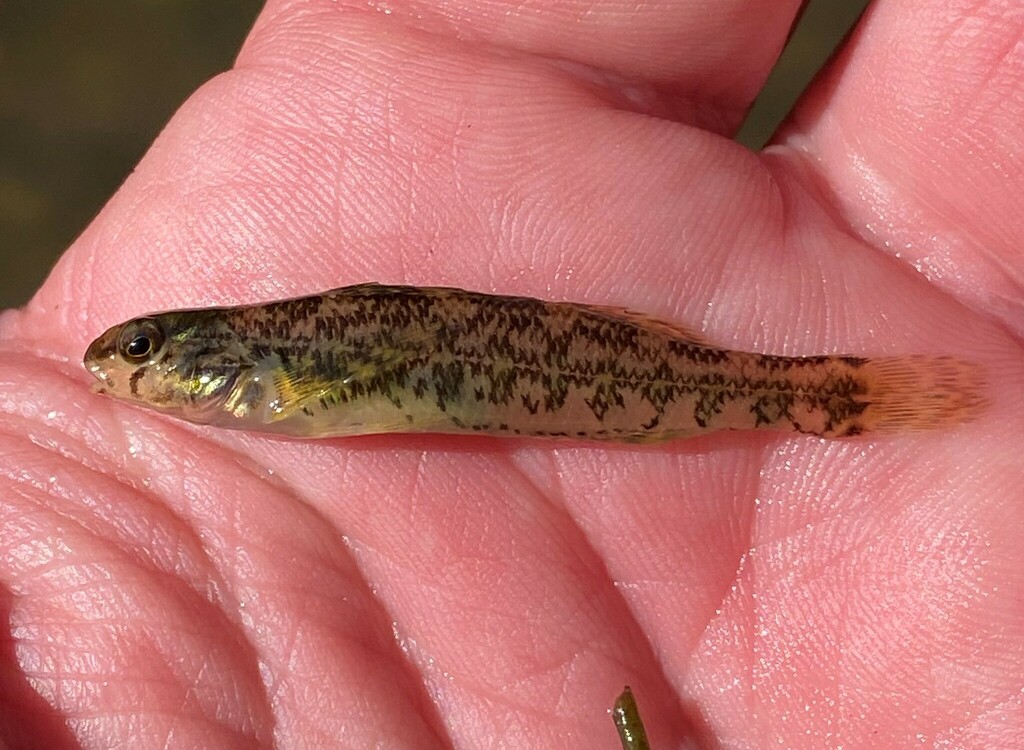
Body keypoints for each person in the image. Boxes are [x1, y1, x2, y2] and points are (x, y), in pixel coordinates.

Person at [0, 1, 1020, 747]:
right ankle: (835, 396)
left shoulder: (284, 379)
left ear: (224, 359)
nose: (127, 367)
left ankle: (836, 394)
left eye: (144, 354)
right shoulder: (267, 380)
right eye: (135, 353)